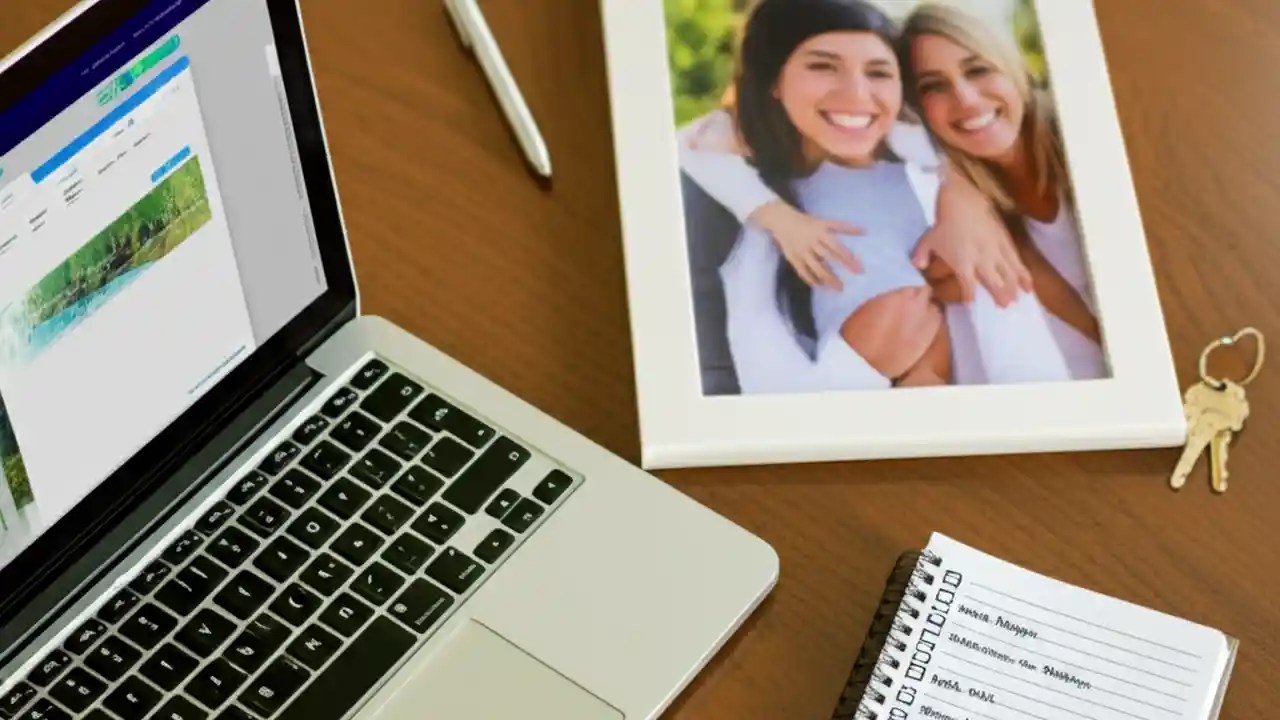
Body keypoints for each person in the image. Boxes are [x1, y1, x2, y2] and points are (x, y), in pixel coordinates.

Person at [678, 0, 1072, 393]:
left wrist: (959, 193)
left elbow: (1011, 313)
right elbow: (685, 146)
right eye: (822, 66)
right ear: (774, 81)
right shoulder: (741, 207)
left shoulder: (928, 168)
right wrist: (858, 363)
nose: (857, 94)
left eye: (879, 72)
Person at [899, 2, 1104, 379]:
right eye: (934, 86)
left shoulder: (1084, 141)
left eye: (978, 70)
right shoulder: (954, 193)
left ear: (1013, 68)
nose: (966, 99)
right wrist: (956, 190)